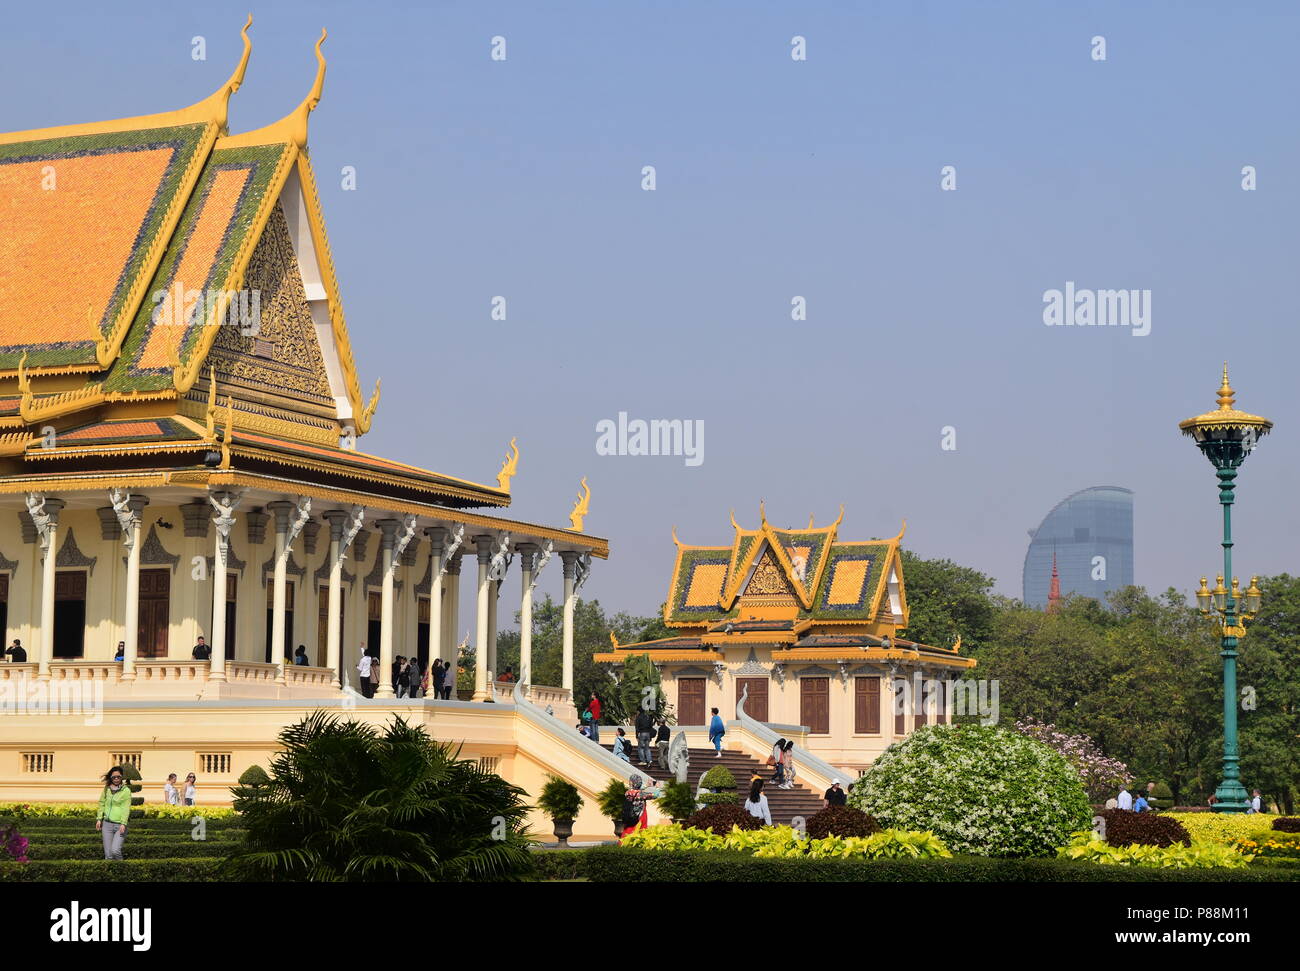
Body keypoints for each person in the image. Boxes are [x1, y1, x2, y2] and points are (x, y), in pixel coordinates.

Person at [96, 766, 131, 860]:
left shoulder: (126, 791)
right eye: (113, 777)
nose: (116, 779)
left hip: (120, 825)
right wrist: (99, 819)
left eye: (118, 777)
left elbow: (126, 808)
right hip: (107, 824)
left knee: (115, 850)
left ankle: (123, 870)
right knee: (108, 855)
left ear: (121, 777)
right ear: (110, 778)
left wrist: (123, 823)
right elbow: (102, 803)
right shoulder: (106, 789)